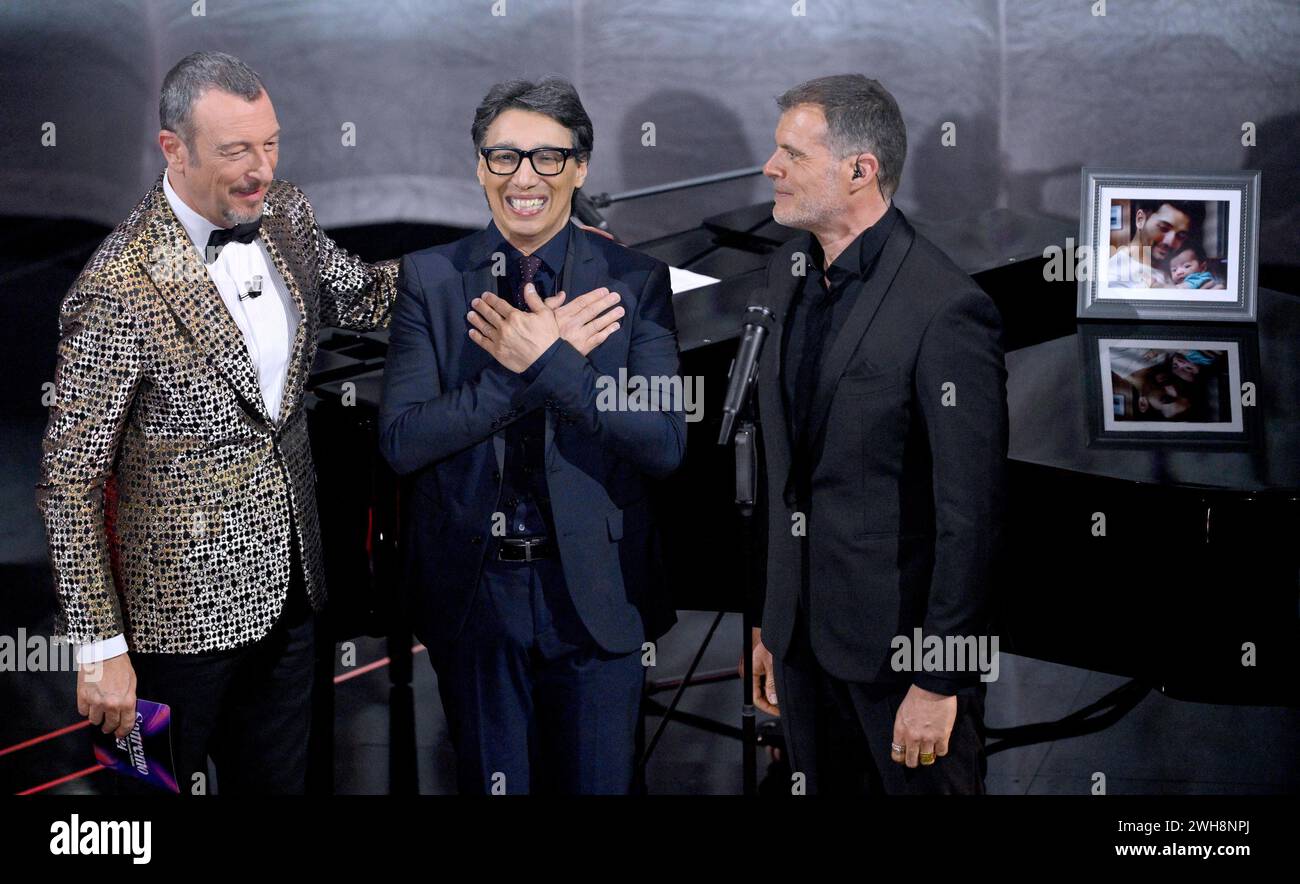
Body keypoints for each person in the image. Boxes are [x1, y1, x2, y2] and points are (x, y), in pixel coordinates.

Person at [36, 51, 398, 795]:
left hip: (293, 592)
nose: (260, 168)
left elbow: (367, 298)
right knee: (136, 812)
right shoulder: (118, 285)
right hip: (172, 626)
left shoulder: (286, 216)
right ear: (174, 148)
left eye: (270, 143)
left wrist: (505, 260)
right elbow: (69, 484)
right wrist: (100, 648)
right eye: (237, 150)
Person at [377, 78, 684, 795]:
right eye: (505, 156)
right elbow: (402, 441)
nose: (525, 178)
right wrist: (524, 374)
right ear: (479, 166)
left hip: (599, 598)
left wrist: (548, 363)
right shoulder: (430, 279)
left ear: (580, 168)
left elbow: (665, 441)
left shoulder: (634, 282)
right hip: (475, 596)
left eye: (549, 158)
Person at [748, 74, 1007, 795]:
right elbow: (784, 474)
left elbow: (971, 514)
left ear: (859, 171)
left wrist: (939, 680)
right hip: (802, 649)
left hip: (900, 666)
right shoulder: (784, 275)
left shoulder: (948, 308)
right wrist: (773, 623)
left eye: (791, 155)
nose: (771, 169)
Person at [1106, 199, 1203, 288]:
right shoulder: (1115, 275)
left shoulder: (1171, 266)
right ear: (1140, 220)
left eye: (1181, 236)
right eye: (1163, 228)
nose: (1170, 242)